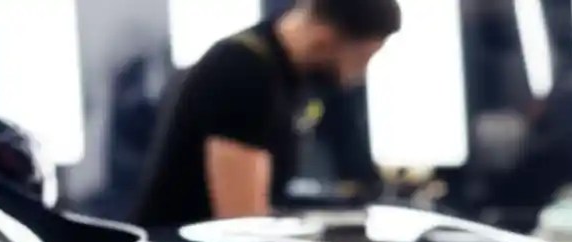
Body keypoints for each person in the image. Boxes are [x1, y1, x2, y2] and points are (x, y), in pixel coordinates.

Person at [132, 0, 401, 227]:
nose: (357, 75)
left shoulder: (289, 75)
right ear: (325, 39)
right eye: (363, 58)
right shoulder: (242, 68)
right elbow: (243, 222)